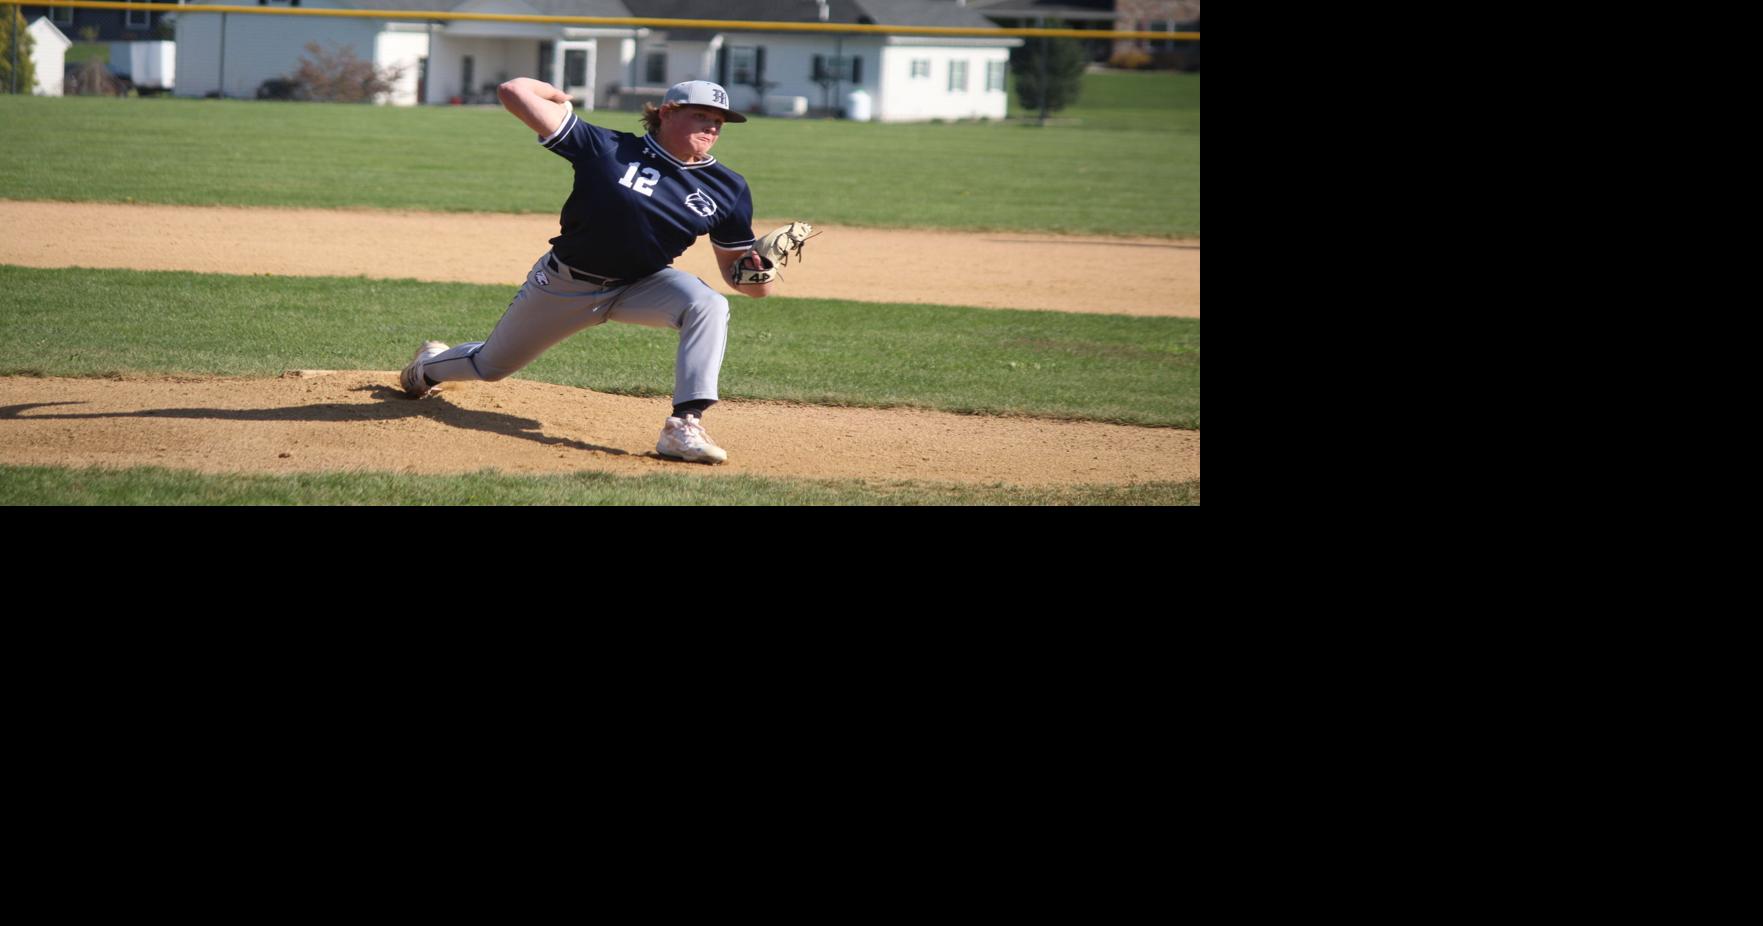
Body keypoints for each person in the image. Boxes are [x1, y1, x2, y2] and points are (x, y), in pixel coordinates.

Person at [400, 78, 776, 464]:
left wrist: (757, 273)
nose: (712, 127)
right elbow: (513, 92)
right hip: (566, 284)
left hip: (642, 285)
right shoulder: (606, 147)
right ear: (666, 113)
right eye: (701, 115)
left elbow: (743, 281)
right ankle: (427, 367)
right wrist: (560, 97)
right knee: (489, 366)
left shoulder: (728, 187)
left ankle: (684, 426)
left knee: (707, 304)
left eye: (719, 121)